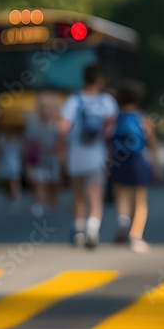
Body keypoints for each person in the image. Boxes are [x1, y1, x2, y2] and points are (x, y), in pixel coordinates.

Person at [58, 65, 118, 249]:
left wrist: (60, 150)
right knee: (95, 195)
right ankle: (93, 230)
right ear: (100, 81)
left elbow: (63, 127)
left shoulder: (74, 100)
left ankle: (78, 230)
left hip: (77, 153)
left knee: (78, 194)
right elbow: (112, 128)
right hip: (97, 153)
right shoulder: (106, 100)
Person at [107, 81, 162, 252]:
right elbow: (152, 144)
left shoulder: (113, 119)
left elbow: (107, 140)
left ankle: (123, 224)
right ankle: (136, 235)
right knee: (140, 201)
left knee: (121, 196)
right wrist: (156, 165)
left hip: (118, 161)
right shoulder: (143, 119)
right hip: (138, 161)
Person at [24, 97, 61, 218]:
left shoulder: (55, 123)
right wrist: (28, 163)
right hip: (38, 159)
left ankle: (50, 204)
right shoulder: (33, 124)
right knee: (40, 182)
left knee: (52, 184)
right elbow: (28, 143)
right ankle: (40, 205)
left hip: (52, 159)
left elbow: (61, 141)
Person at [0, 132, 23, 210]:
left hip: (14, 163)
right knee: (10, 181)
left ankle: (15, 197)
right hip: (7, 163)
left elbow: (21, 151)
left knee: (14, 181)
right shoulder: (1, 138)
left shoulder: (17, 139)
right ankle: (12, 196)